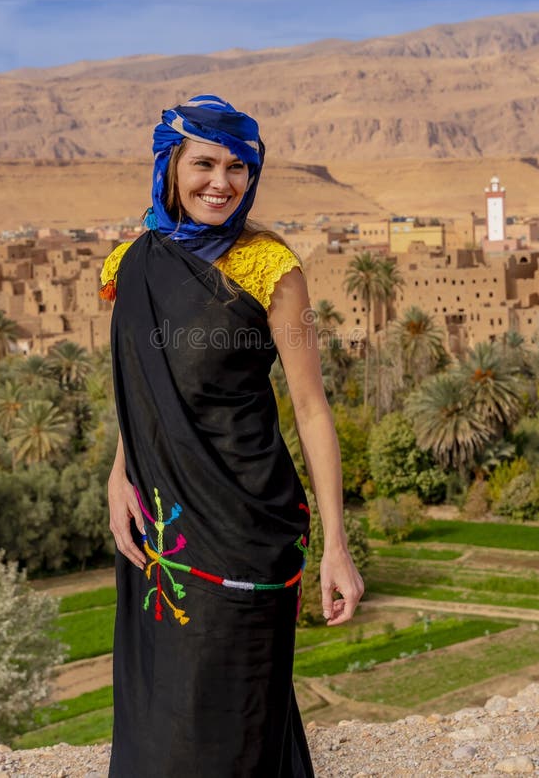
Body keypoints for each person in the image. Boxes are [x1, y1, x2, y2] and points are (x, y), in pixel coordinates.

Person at [102, 95, 364, 778]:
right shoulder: (131, 265)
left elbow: (310, 409)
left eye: (238, 168)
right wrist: (117, 474)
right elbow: (145, 386)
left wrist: (337, 546)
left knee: (236, 720)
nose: (221, 183)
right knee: (160, 717)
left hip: (250, 526)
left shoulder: (273, 270)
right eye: (205, 163)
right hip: (164, 528)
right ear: (170, 166)